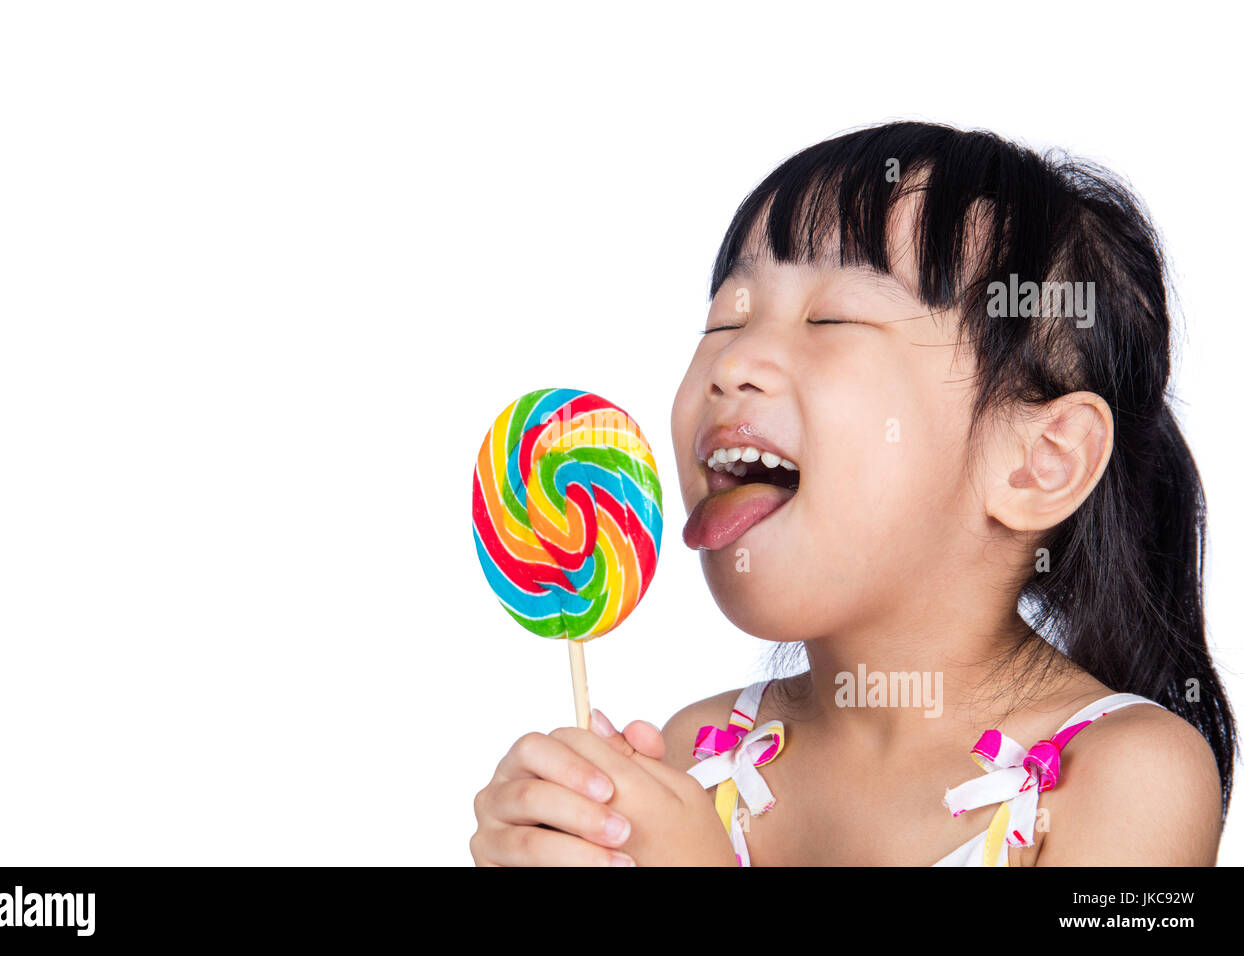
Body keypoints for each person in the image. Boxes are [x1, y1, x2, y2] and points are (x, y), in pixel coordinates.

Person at [469, 121, 1234, 866]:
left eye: (831, 317)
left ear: (1040, 461)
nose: (733, 364)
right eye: (723, 320)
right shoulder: (690, 758)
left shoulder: (1131, 777)